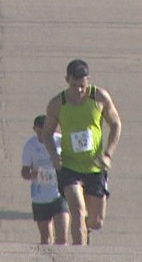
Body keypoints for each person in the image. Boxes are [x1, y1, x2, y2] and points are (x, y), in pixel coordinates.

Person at [41, 59, 122, 246]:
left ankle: (87, 228)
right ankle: (80, 257)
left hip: (95, 166)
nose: (78, 90)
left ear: (89, 81)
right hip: (69, 166)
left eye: (82, 86)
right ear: (66, 80)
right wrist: (54, 155)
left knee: (96, 221)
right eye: (74, 85)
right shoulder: (57, 103)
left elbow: (116, 124)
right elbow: (46, 133)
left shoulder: (99, 97)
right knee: (77, 210)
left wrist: (108, 153)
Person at [22, 115, 70, 245]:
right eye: (39, 131)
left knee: (62, 238)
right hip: (40, 196)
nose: (43, 134)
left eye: (46, 130)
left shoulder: (60, 141)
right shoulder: (30, 146)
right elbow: (24, 172)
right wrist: (35, 174)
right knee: (46, 239)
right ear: (34, 129)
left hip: (59, 194)